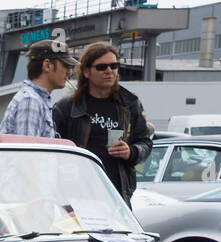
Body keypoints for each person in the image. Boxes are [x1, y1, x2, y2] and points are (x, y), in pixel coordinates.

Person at [53, 42, 152, 205]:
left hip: (118, 195)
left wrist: (131, 152)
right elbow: (55, 154)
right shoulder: (66, 108)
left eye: (114, 66)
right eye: (102, 67)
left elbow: (146, 143)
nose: (109, 71)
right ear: (86, 72)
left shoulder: (129, 104)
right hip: (79, 195)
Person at [0, 38, 77, 138]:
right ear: (47, 65)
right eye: (65, 65)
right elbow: (27, 151)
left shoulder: (35, 100)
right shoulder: (31, 101)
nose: (69, 72)